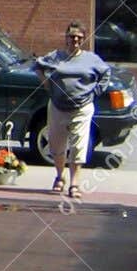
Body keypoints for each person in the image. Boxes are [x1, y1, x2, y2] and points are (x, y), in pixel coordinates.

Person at [35, 21, 110, 198]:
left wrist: (96, 92)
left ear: (83, 39)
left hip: (82, 108)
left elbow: (105, 73)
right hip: (58, 107)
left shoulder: (91, 59)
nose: (75, 40)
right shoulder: (56, 56)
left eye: (79, 37)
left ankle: (74, 184)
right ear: (66, 38)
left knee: (78, 145)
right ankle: (60, 177)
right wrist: (47, 85)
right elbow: (38, 66)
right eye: (71, 36)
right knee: (57, 144)